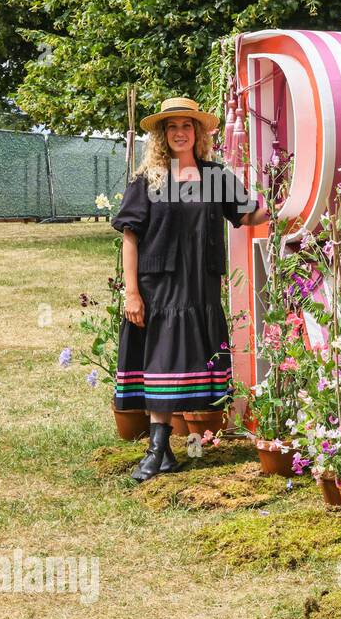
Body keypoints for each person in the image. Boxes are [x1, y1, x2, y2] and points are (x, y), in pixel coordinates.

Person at [111, 96, 270, 482]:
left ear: (197, 133)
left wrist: (284, 195)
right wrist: (131, 292)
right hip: (159, 287)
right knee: (162, 361)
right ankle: (156, 449)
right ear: (164, 135)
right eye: (172, 127)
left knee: (178, 363)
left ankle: (163, 452)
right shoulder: (149, 179)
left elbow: (248, 213)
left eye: (186, 126)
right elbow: (129, 237)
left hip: (198, 287)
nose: (179, 132)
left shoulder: (215, 176)